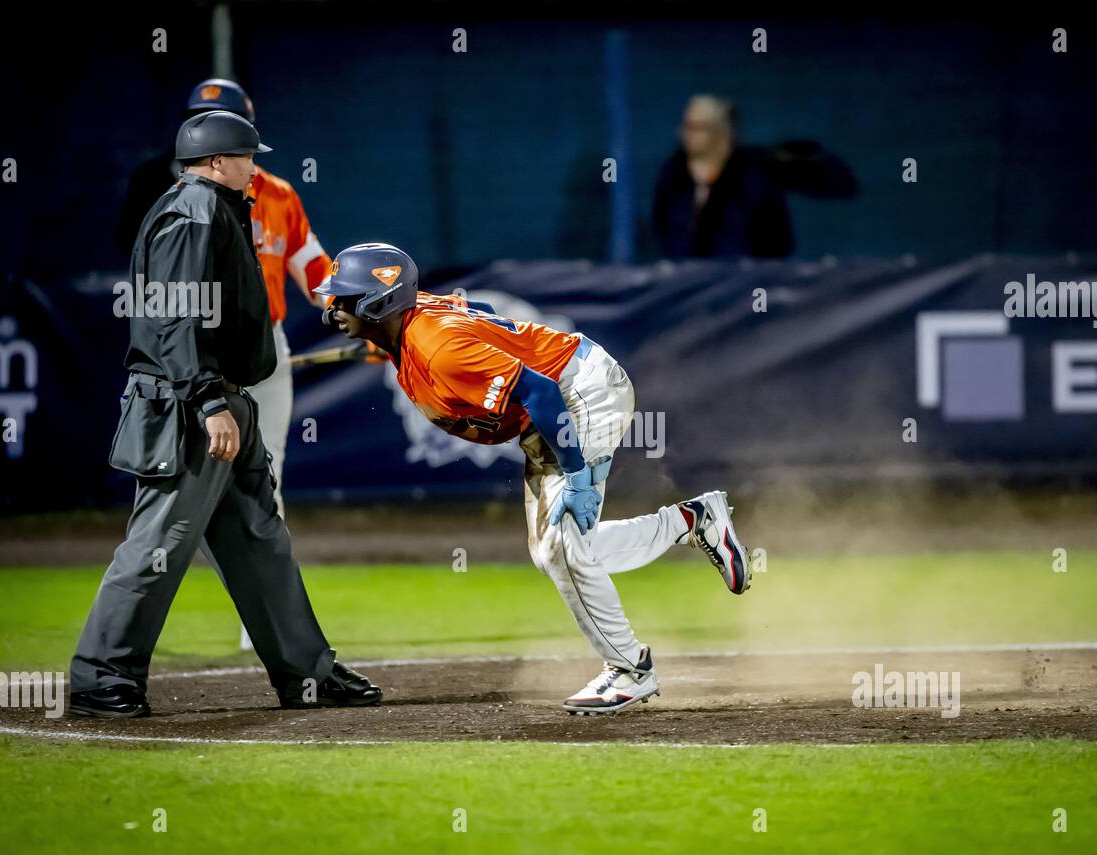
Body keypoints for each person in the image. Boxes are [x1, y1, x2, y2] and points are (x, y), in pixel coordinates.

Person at [313, 243, 752, 715]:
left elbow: (539, 392)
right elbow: (478, 313)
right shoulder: (418, 329)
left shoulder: (438, 348)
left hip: (576, 395)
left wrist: (578, 473)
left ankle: (630, 671)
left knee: (564, 550)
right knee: (554, 553)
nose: (333, 306)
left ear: (381, 303)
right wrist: (395, 348)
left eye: (346, 297)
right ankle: (691, 522)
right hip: (567, 390)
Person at [69, 111, 380, 718]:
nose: (254, 167)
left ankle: (306, 673)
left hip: (222, 397)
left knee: (261, 539)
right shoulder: (193, 211)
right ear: (216, 163)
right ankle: (101, 676)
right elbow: (175, 318)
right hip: (188, 406)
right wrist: (210, 398)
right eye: (246, 157)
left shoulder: (213, 206)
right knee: (160, 542)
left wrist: (224, 396)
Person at [651, 95, 793, 258]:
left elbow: (777, 241)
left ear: (723, 132)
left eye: (699, 127)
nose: (688, 135)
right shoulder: (673, 177)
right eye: (686, 126)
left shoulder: (755, 180)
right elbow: (662, 228)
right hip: (685, 277)